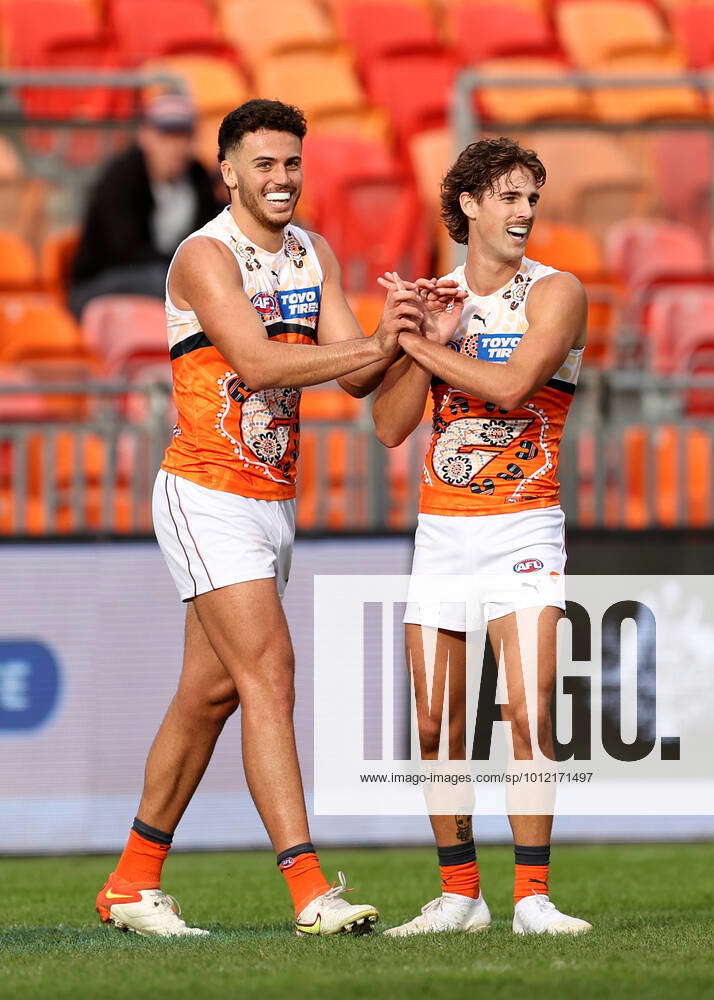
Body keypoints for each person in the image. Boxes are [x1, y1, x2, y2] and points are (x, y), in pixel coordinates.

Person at [95, 99, 422, 937]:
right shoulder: (204, 255)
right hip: (204, 494)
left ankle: (132, 884)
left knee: (207, 696)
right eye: (264, 165)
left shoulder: (314, 252)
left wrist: (414, 336)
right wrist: (379, 344)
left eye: (292, 164)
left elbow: (355, 381)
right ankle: (310, 890)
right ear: (228, 173)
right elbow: (258, 359)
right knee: (270, 672)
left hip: (272, 503)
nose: (282, 180)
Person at [373, 137, 592, 937]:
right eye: (508, 196)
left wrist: (428, 341)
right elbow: (391, 428)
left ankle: (533, 896)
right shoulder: (438, 297)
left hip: (525, 527)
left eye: (532, 197)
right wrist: (416, 335)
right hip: (443, 534)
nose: (525, 212)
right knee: (435, 723)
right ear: (468, 205)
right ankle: (460, 896)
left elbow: (508, 385)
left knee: (527, 712)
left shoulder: (557, 292)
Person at [69, 93, 222, 318]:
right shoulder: (120, 177)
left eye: (185, 135)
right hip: (100, 282)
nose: (176, 145)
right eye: (167, 135)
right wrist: (183, 268)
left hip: (167, 271)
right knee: (172, 283)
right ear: (145, 136)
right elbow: (124, 249)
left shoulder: (197, 177)